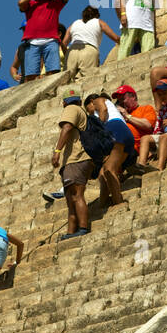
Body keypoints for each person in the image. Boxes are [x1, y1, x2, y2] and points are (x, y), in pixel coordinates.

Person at [50, 94, 108, 239]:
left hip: (77, 158)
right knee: (70, 197)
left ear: (64, 102)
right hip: (78, 160)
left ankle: (82, 228)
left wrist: (57, 151)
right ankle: (71, 232)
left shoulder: (71, 108)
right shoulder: (80, 110)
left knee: (76, 195)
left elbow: (67, 127)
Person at [84, 93, 139, 200]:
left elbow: (103, 110)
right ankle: (103, 202)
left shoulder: (98, 100)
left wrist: (99, 128)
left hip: (115, 129)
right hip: (125, 135)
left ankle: (118, 201)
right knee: (103, 174)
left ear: (91, 101)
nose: (89, 112)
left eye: (88, 109)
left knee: (109, 169)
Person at [18, 0, 72, 81]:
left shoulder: (55, 3)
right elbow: (20, 3)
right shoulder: (31, 4)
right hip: (32, 43)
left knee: (53, 73)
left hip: (51, 41)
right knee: (30, 77)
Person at [62, 5, 119, 77]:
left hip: (72, 51)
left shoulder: (74, 23)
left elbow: (63, 44)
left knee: (66, 79)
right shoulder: (99, 22)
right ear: (97, 15)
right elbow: (116, 38)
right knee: (87, 80)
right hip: (89, 51)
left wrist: (67, 55)